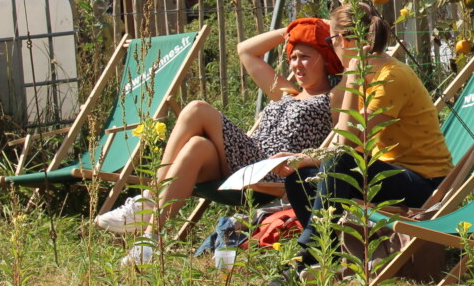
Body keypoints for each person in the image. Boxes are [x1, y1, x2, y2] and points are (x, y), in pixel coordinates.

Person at [98, 18, 343, 265]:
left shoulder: (333, 98)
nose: (297, 64)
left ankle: (150, 197)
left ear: (325, 57)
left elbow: (357, 67)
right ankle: (147, 244)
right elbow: (245, 50)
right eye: (293, 57)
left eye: (305, 57)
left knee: (196, 109)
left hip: (270, 169)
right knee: (196, 146)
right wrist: (293, 30)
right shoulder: (285, 91)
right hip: (245, 161)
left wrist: (328, 28)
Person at [271, 0, 452, 286]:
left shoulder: (389, 78)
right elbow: (345, 143)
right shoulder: (369, 75)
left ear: (345, 40)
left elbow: (348, 145)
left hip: (426, 186)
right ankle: (324, 260)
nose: (332, 48)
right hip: (392, 173)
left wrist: (353, 76)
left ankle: (307, 254)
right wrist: (300, 159)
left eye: (331, 41)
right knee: (300, 177)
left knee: (338, 163)